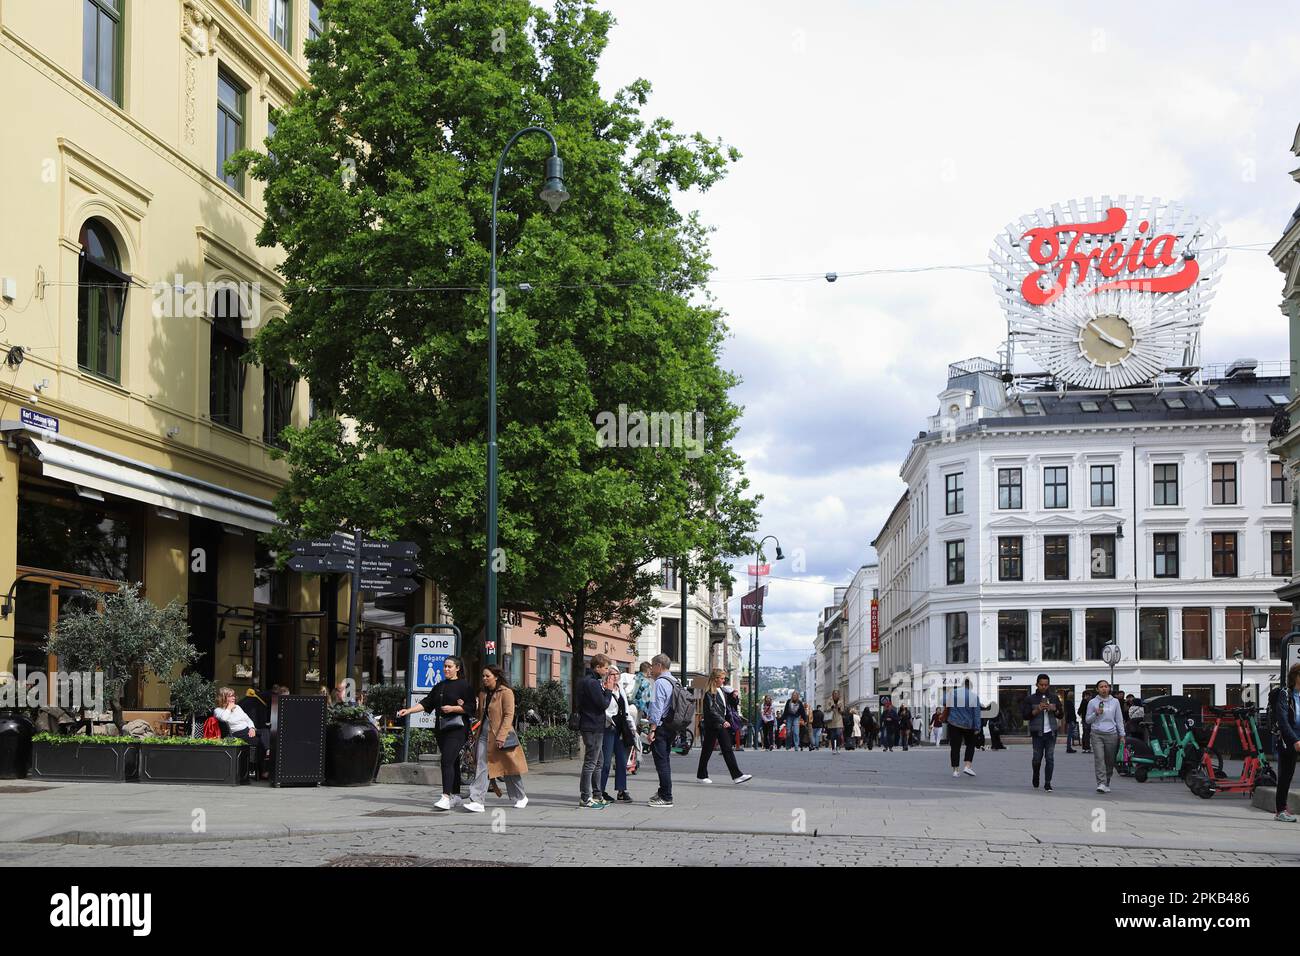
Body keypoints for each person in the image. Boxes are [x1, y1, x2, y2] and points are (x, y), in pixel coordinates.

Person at [397, 655, 474, 810]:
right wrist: (409, 711)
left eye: (449, 666)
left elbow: (472, 708)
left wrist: (453, 708)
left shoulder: (464, 686)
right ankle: (456, 796)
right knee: (453, 761)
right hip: (441, 729)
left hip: (458, 729)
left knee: (446, 761)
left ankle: (445, 797)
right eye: (445, 666)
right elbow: (426, 703)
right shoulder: (440, 686)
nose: (446, 669)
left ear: (457, 668)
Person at [465, 666, 528, 811]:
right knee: (482, 767)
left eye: (487, 676)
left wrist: (502, 736)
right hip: (484, 736)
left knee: (509, 768)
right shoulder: (483, 693)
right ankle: (477, 800)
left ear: (496, 676)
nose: (484, 678)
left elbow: (508, 716)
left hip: (500, 736)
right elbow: (480, 715)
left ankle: (521, 796)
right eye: (483, 676)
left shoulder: (506, 692)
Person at [696, 669, 753, 785]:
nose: (723, 681)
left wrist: (734, 696)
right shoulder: (709, 693)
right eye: (722, 678)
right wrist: (722, 721)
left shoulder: (721, 690)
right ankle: (703, 775)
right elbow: (711, 710)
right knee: (711, 750)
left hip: (719, 724)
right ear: (716, 679)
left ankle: (735, 775)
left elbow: (728, 705)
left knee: (721, 749)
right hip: (715, 725)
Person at [576, 653, 614, 809]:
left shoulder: (588, 681)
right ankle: (586, 797)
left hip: (591, 725)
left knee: (599, 762)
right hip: (592, 726)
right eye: (605, 668)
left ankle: (597, 795)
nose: (607, 671)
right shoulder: (591, 683)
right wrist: (609, 690)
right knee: (591, 762)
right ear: (597, 667)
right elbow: (603, 704)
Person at [600, 665, 636, 803]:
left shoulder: (620, 689)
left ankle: (622, 790)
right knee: (606, 762)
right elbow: (604, 709)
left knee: (622, 760)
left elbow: (626, 710)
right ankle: (600, 790)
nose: (615, 677)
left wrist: (632, 728)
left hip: (621, 728)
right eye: (612, 674)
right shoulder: (603, 689)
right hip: (608, 727)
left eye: (617, 674)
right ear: (607, 675)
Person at [646, 653, 677, 808]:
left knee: (661, 762)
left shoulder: (659, 683)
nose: (651, 669)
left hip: (661, 726)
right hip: (672, 726)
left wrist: (652, 728)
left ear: (659, 665)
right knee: (665, 760)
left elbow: (657, 707)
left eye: (652, 665)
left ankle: (666, 796)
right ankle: (663, 791)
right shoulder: (674, 680)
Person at [1270, 663, 1300, 822]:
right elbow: (1283, 720)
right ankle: (1280, 810)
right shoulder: (1285, 694)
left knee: (1288, 774)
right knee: (1286, 775)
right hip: (1288, 739)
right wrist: (1294, 740)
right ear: (1295, 676)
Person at [1084, 679, 1125, 793]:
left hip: (1111, 734)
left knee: (1110, 760)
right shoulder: (1092, 702)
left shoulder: (1115, 702)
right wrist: (1095, 713)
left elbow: (1119, 719)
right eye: (1101, 687)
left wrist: (1122, 735)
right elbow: (1087, 720)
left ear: (1109, 688)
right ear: (1097, 689)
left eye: (1106, 686)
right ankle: (1101, 783)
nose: (1104, 688)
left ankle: (1107, 781)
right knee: (1099, 759)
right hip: (1097, 733)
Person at [1021, 675, 1060, 792]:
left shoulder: (1054, 697)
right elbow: (1025, 716)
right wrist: (1037, 709)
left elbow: (1061, 714)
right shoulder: (1030, 699)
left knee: (1050, 758)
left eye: (1046, 685)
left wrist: (1054, 709)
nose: (1044, 687)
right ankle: (1036, 774)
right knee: (1037, 758)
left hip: (1051, 732)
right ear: (1037, 684)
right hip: (1037, 733)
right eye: (1041, 684)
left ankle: (1048, 783)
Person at [943, 680, 980, 777]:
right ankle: (967, 766)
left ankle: (955, 770)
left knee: (955, 747)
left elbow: (943, 701)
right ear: (970, 687)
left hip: (953, 723)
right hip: (968, 725)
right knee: (970, 744)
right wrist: (977, 727)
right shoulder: (974, 696)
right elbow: (976, 714)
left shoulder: (953, 692)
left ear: (962, 685)